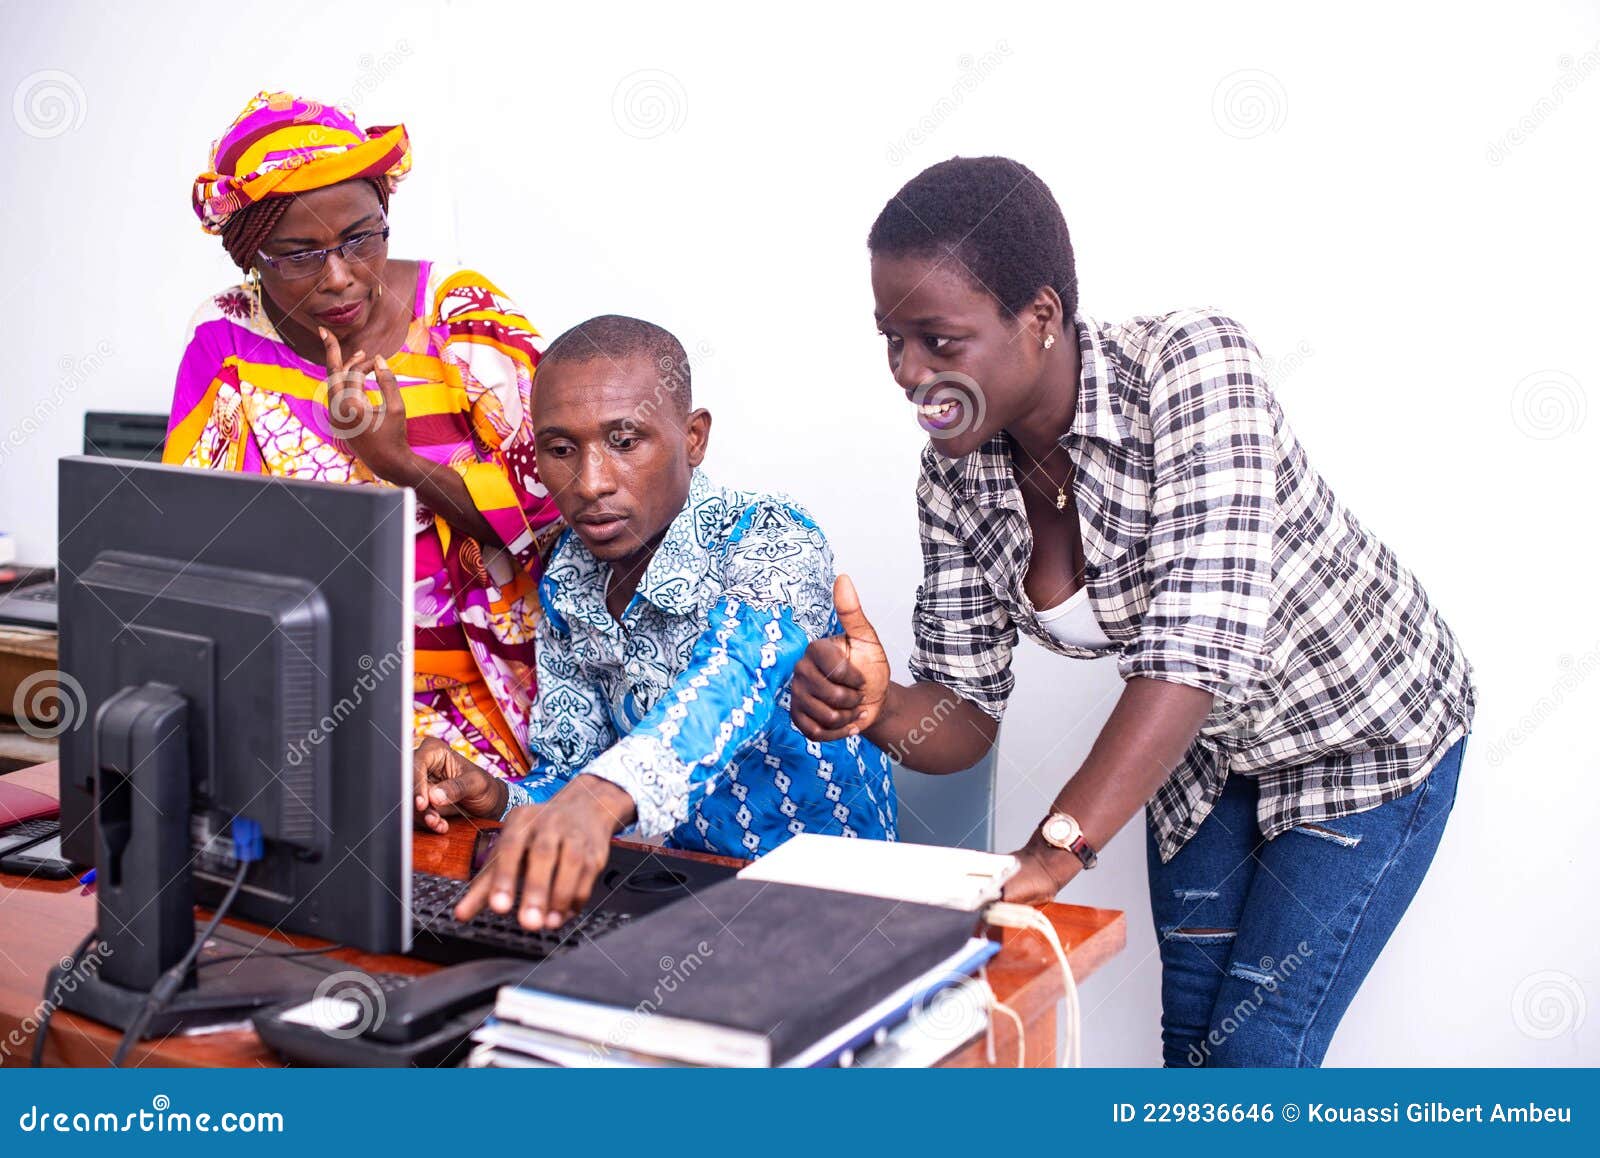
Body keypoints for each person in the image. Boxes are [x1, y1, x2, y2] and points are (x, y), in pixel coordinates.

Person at [789, 156, 1475, 1067]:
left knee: (1256, 1053)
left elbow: (1191, 655)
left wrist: (1053, 852)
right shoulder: (953, 479)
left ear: (1040, 317)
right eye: (892, 341)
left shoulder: (1193, 363)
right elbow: (964, 715)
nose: (909, 373)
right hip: (1203, 758)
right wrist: (877, 706)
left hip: (1361, 738)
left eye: (939, 341)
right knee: (1191, 1045)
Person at [416, 315, 897, 931]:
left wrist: (599, 797)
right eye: (561, 450)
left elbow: (733, 679)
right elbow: (572, 772)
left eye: (625, 441)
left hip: (834, 913)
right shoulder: (569, 576)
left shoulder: (773, 539)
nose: (591, 483)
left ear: (694, 438)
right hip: (671, 908)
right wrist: (497, 796)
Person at [167, 92, 561, 782]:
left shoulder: (460, 317)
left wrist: (397, 462)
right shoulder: (226, 343)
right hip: (299, 698)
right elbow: (199, 553)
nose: (341, 276)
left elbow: (557, 523)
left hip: (486, 698)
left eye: (361, 238)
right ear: (252, 257)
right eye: (300, 256)